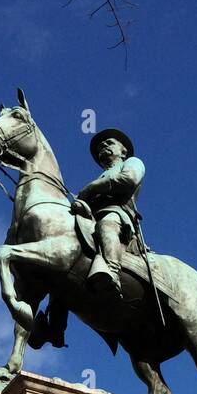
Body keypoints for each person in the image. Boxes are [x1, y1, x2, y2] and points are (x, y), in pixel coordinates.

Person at [73, 127, 145, 300]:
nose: (103, 145)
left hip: (117, 213)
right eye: (100, 147)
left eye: (109, 143)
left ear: (123, 151)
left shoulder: (132, 162)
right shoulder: (102, 176)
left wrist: (91, 188)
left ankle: (112, 271)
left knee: (106, 225)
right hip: (91, 217)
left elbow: (129, 180)